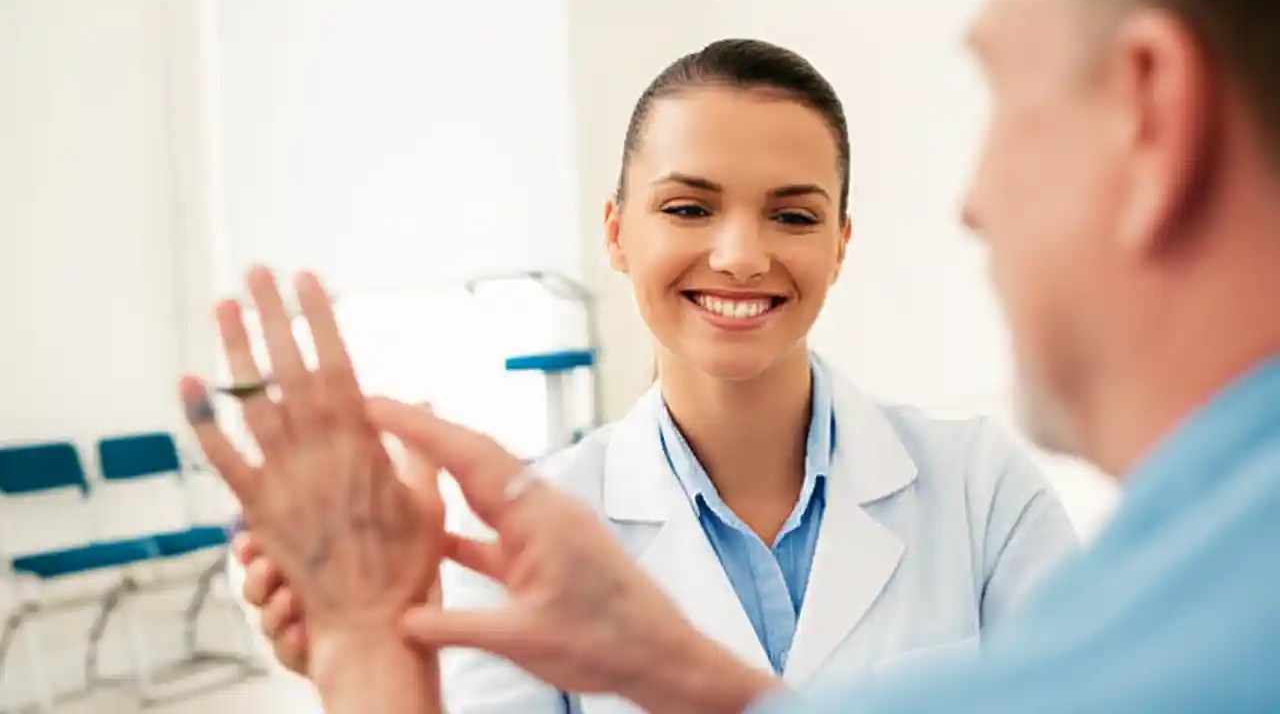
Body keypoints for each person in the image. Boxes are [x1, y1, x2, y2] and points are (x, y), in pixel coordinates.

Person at [222, 40, 1077, 712]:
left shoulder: (981, 490)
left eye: (792, 215)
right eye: (688, 208)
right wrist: (369, 669)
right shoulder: (514, 541)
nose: (740, 255)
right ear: (617, 232)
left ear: (840, 245)